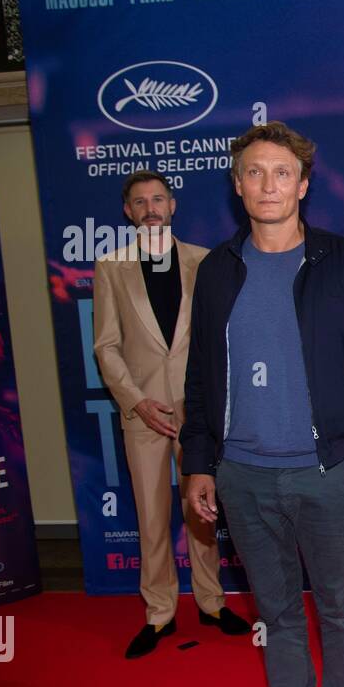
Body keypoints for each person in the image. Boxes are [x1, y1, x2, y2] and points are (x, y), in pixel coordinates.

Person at [181, 122, 344, 687]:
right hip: (242, 475)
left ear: (303, 185)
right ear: (238, 186)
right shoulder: (218, 270)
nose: (267, 184)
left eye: (281, 172)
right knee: (273, 610)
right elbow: (200, 377)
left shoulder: (343, 263)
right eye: (253, 172)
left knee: (338, 604)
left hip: (328, 471)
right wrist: (198, 461)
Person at [92, 171, 245, 659]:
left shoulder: (204, 262)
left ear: (172, 205)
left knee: (202, 512)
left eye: (158, 199)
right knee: (152, 518)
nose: (150, 208)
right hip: (143, 413)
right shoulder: (110, 267)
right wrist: (136, 399)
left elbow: (217, 339)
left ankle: (211, 602)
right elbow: (106, 345)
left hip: (197, 410)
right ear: (128, 212)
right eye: (140, 202)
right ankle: (159, 613)